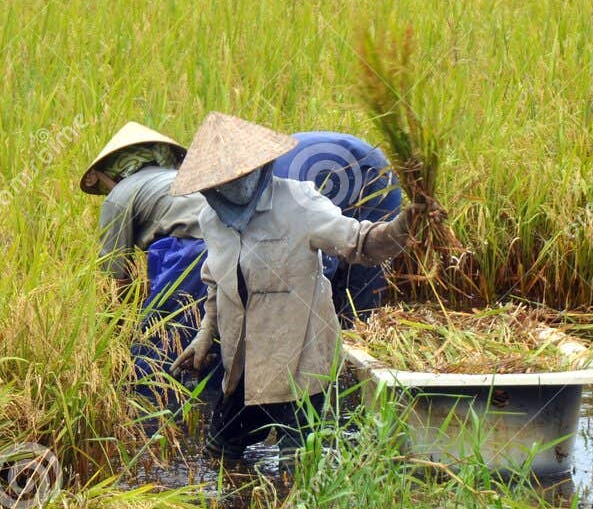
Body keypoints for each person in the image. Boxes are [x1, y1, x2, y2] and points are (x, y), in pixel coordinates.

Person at [171, 113, 422, 461]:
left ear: (260, 166)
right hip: (244, 365)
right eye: (224, 179)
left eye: (241, 174)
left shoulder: (300, 203)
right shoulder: (212, 220)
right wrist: (205, 334)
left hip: (300, 365)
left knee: (299, 465)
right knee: (219, 455)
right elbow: (216, 282)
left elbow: (361, 243)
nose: (236, 184)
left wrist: (404, 225)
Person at [80, 121, 214, 408]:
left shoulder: (120, 194)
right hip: (237, 248)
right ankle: (208, 418)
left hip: (192, 254)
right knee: (217, 341)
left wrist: (112, 336)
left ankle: (150, 423)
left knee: (155, 348)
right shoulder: (181, 179)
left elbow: (115, 275)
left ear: (111, 171)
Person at [272, 131, 404, 322]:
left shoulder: (282, 198)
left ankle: (352, 331)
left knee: (343, 271)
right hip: (345, 164)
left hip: (365, 173)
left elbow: (308, 268)